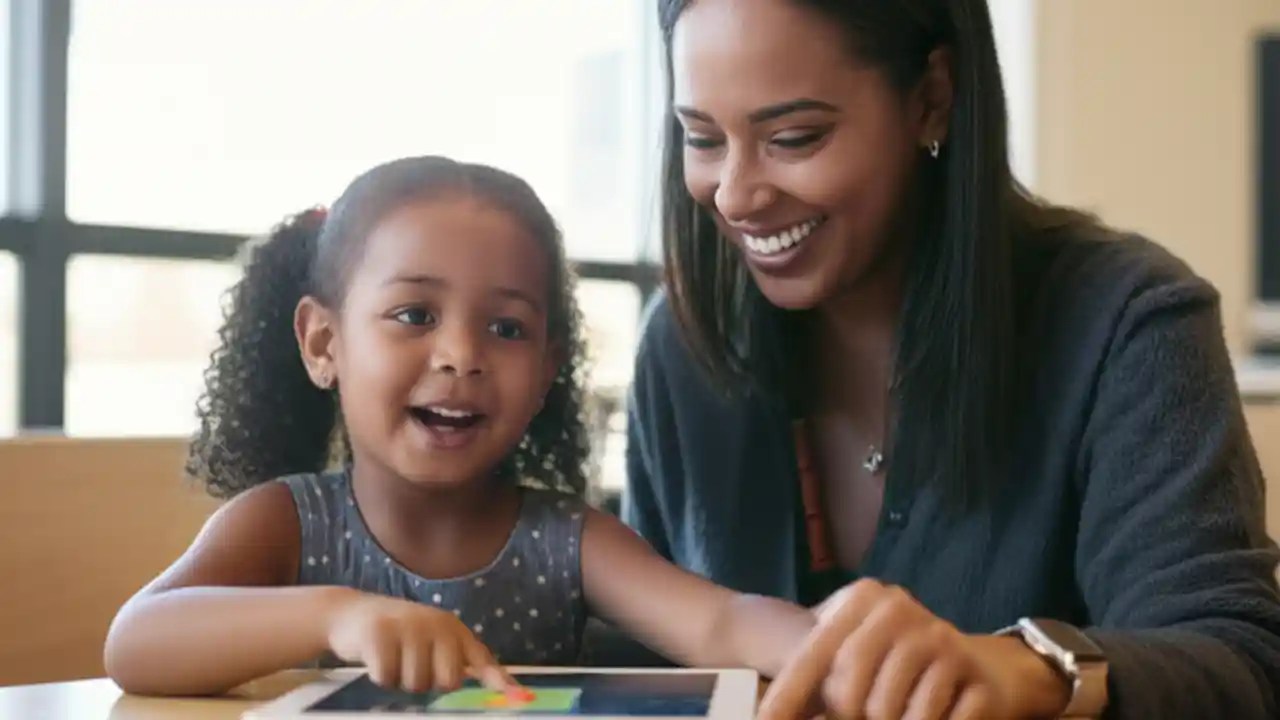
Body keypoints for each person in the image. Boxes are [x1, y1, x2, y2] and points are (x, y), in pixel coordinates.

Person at [620, 0, 1280, 718]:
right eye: (702, 138)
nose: (735, 194)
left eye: (794, 137)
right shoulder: (683, 344)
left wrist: (1026, 669)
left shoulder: (1130, 327)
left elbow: (1240, 667)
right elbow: (637, 661)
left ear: (932, 98)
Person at [103, 156, 815, 697]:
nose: (462, 357)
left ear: (545, 373)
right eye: (415, 314)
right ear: (324, 344)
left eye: (507, 328)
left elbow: (721, 624)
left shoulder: (570, 543)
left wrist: (838, 645)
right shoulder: (288, 524)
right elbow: (134, 643)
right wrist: (337, 617)